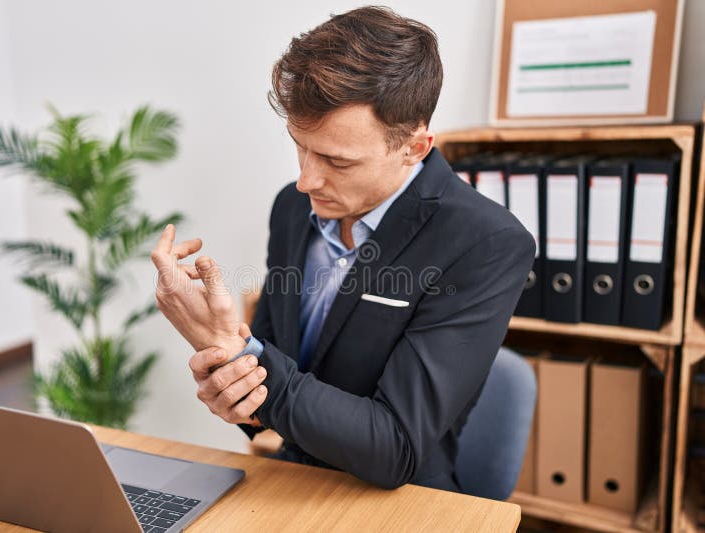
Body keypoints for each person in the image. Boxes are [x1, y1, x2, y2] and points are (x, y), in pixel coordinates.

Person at [151, 6, 534, 492]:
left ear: (414, 147)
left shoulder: (487, 244)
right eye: (300, 145)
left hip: (402, 503)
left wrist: (239, 355)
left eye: (337, 160)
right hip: (295, 481)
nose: (307, 180)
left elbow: (396, 448)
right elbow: (273, 383)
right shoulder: (291, 210)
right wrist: (233, 375)